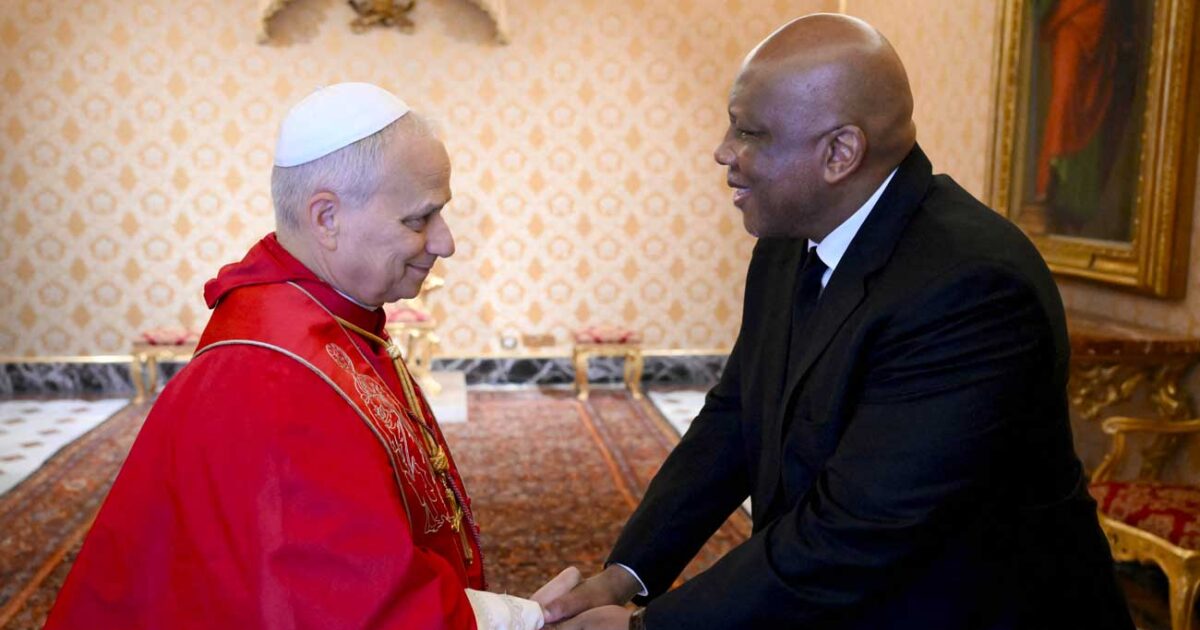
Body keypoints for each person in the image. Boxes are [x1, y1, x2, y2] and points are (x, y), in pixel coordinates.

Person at [543, 14, 1133, 630]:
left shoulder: (971, 287)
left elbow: (854, 533)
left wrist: (646, 629)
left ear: (839, 153)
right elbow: (734, 419)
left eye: (748, 132)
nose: (723, 152)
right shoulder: (786, 244)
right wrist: (627, 574)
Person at [45, 82, 572, 630]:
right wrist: (530, 617)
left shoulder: (320, 318)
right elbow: (352, 603)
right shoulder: (277, 372)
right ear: (327, 218)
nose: (445, 242)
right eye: (419, 219)